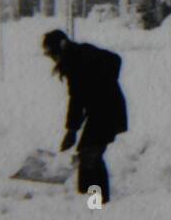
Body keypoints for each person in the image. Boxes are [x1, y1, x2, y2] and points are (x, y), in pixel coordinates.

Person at [42, 29, 128, 204]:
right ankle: (91, 200)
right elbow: (114, 60)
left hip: (106, 111)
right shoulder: (79, 54)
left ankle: (97, 203)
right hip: (101, 110)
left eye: (51, 53)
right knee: (88, 154)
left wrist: (71, 130)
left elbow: (77, 99)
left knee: (90, 155)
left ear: (61, 46)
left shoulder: (76, 59)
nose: (52, 58)